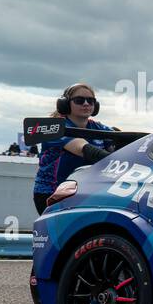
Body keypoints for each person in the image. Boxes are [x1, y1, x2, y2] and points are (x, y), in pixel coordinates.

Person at [32, 83, 117, 214]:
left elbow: (123, 142)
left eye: (91, 100)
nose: (86, 104)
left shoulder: (99, 128)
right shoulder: (54, 127)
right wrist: (120, 161)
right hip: (51, 193)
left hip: (81, 192)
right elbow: (84, 149)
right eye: (79, 100)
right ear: (65, 104)